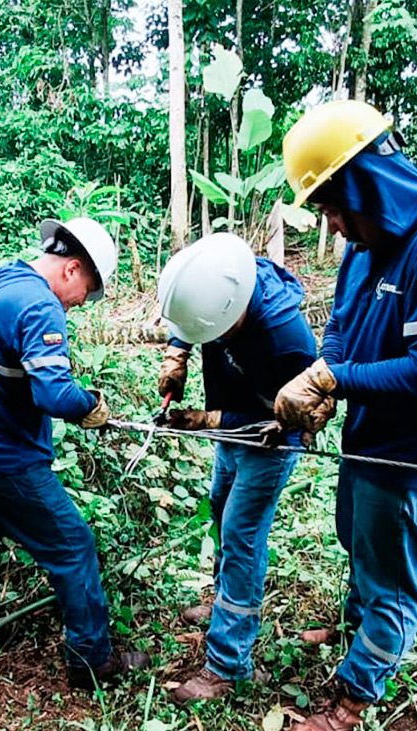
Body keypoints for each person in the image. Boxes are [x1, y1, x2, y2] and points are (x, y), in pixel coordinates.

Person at [273, 100, 417, 731]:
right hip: (370, 441)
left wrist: (333, 382)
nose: (334, 223)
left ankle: (356, 693)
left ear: (367, 181)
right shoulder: (365, 247)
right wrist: (323, 377)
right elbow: (344, 334)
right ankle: (357, 623)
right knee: (360, 541)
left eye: (334, 204)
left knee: (392, 579)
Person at [0, 217, 150, 689]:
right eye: (86, 292)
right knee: (73, 546)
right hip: (4, 459)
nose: (79, 305)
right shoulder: (40, 306)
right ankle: (91, 661)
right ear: (73, 269)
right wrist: (91, 406)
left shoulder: (2, 279)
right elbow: (54, 395)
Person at [154, 233, 322, 703]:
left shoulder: (285, 341)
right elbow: (191, 314)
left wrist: (207, 420)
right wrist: (178, 351)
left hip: (268, 440)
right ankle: (223, 602)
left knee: (243, 535)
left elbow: (284, 416)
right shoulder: (223, 279)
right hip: (232, 431)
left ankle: (228, 665)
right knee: (221, 509)